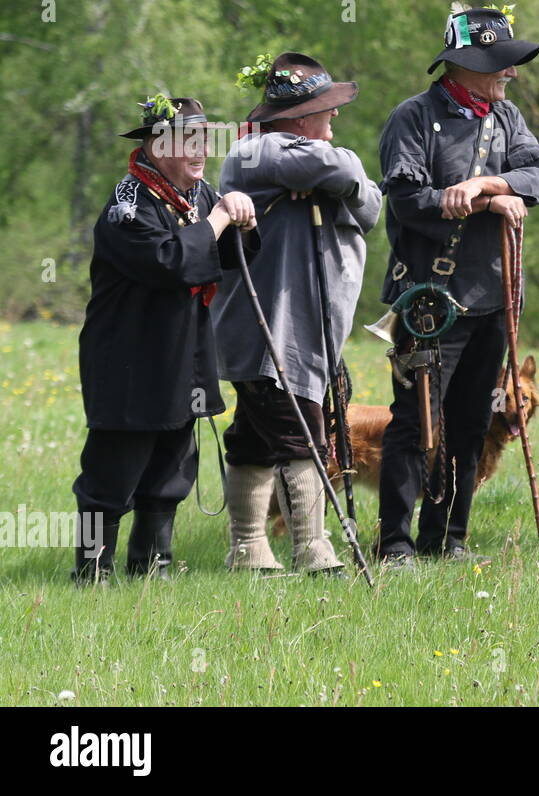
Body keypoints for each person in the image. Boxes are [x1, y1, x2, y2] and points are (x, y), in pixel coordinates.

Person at [375, 4, 539, 564]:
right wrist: (485, 201)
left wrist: (486, 183)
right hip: (430, 301)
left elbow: (537, 172)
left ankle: (447, 539)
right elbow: (405, 200)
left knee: (472, 421)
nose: (512, 73)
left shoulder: (507, 119)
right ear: (462, 64)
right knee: (414, 423)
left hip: (494, 297)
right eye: (500, 64)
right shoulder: (412, 117)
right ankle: (397, 543)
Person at [73, 95, 257, 582]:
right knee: (112, 471)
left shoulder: (196, 195)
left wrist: (243, 219)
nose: (199, 152)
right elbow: (169, 262)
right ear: (156, 146)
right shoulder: (128, 202)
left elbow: (230, 256)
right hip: (128, 357)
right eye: (186, 141)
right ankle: (92, 573)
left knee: (173, 463)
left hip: (184, 354)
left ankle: (153, 565)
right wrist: (219, 220)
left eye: (203, 140)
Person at [212, 52, 381, 575]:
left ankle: (249, 551)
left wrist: (338, 180)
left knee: (256, 436)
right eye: (325, 109)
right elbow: (345, 169)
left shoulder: (297, 152)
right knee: (299, 433)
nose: (334, 118)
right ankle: (312, 550)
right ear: (298, 117)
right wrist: (337, 174)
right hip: (271, 330)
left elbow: (372, 205)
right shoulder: (253, 152)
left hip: (307, 331)